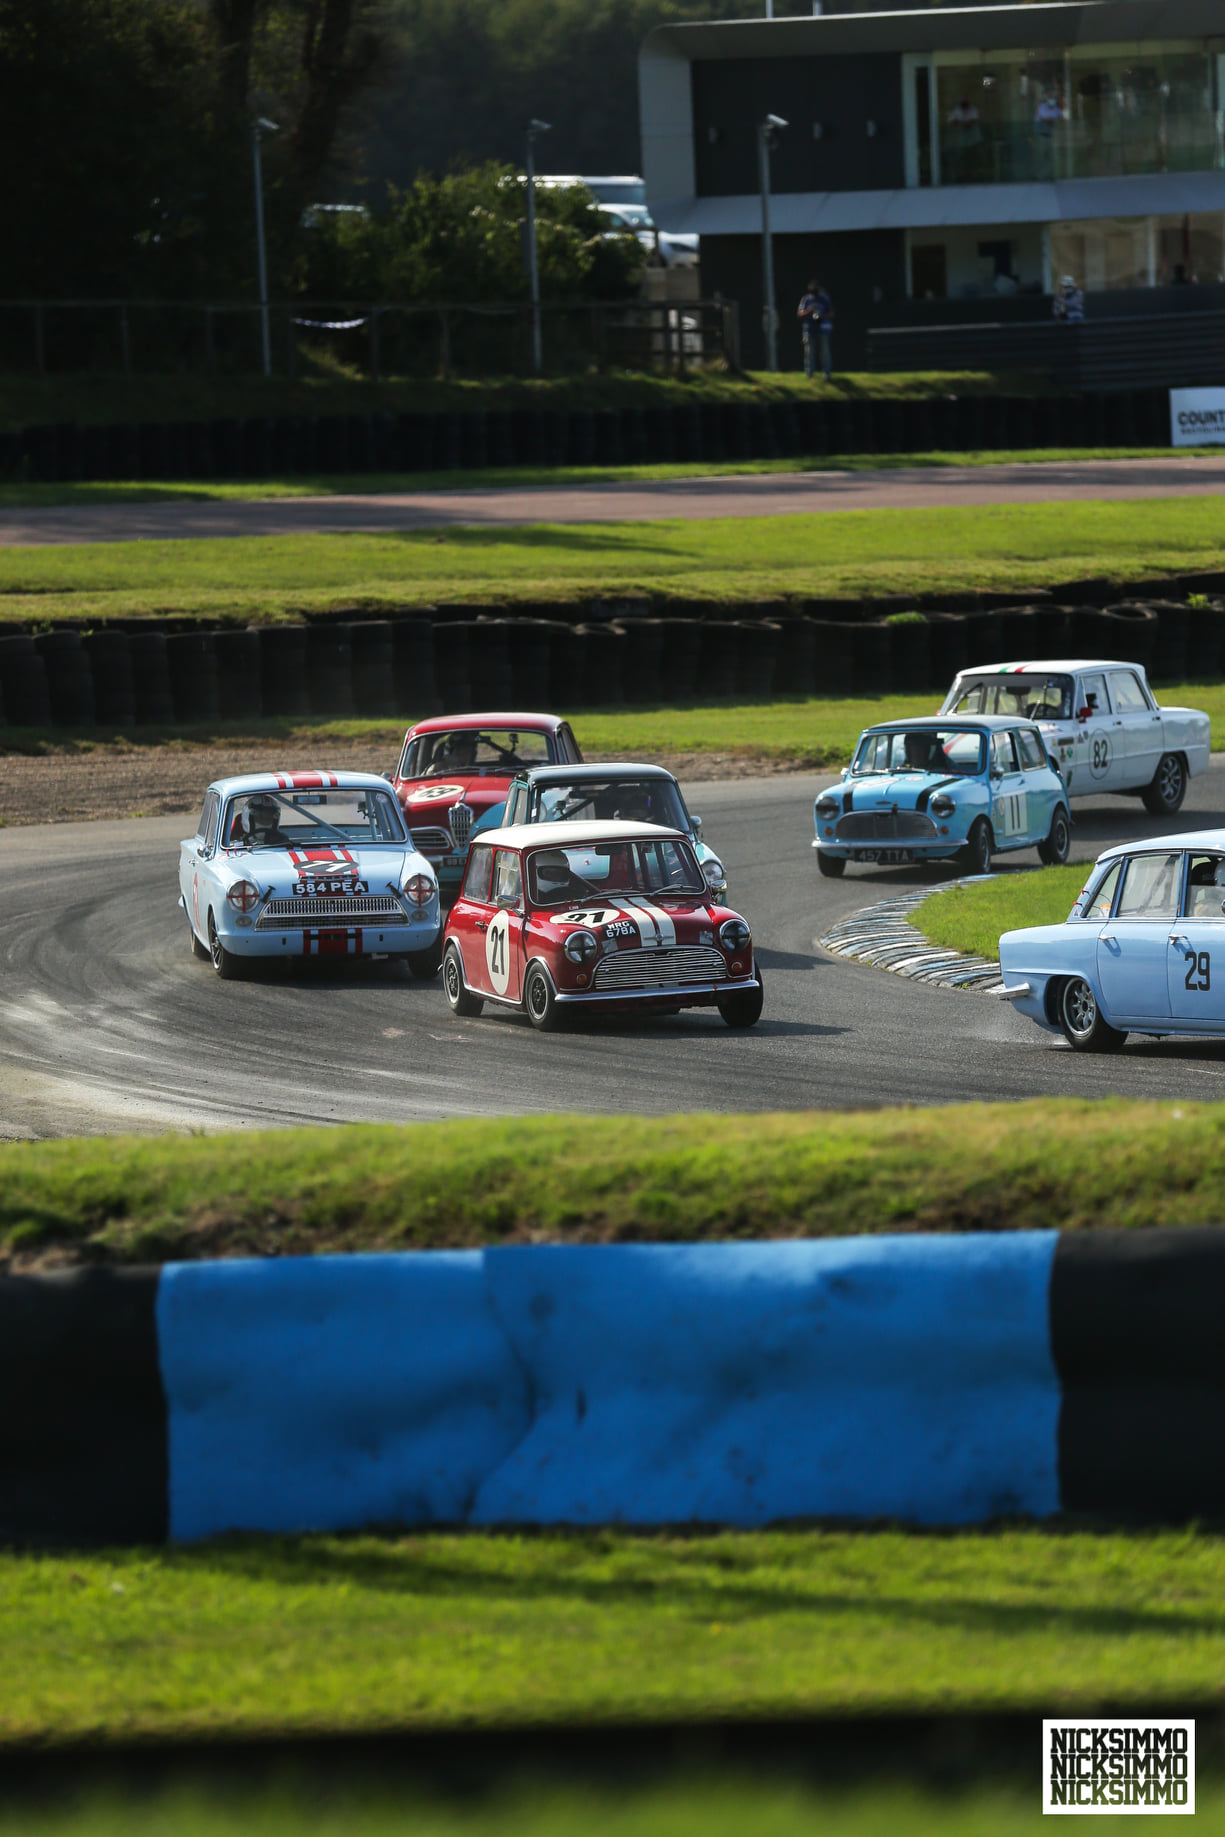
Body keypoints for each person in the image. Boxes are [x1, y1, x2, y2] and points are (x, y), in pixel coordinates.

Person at [797, 279, 834, 380]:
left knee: (825, 352)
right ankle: (809, 374)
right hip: (809, 329)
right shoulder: (806, 299)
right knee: (809, 352)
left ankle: (826, 373)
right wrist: (809, 311)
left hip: (822, 329)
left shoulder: (824, 299)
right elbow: (799, 313)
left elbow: (831, 313)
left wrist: (822, 316)